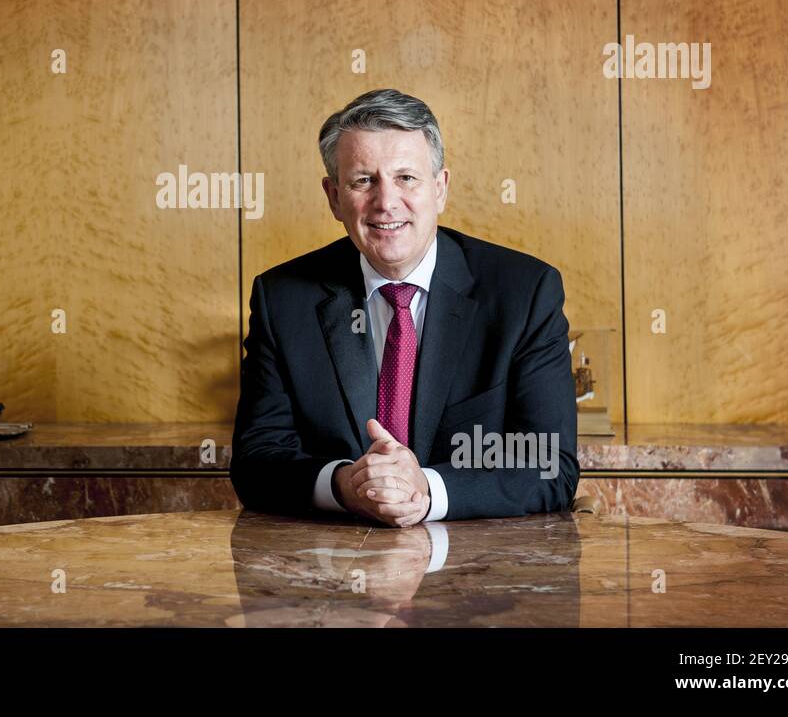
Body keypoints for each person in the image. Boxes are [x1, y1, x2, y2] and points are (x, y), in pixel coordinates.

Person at [231, 88, 579, 524]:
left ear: (440, 188)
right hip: (330, 573)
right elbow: (256, 462)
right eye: (363, 180)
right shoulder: (282, 298)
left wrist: (426, 490)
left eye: (406, 178)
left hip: (479, 573)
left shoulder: (525, 293)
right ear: (334, 197)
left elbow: (550, 466)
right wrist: (344, 485)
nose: (386, 202)